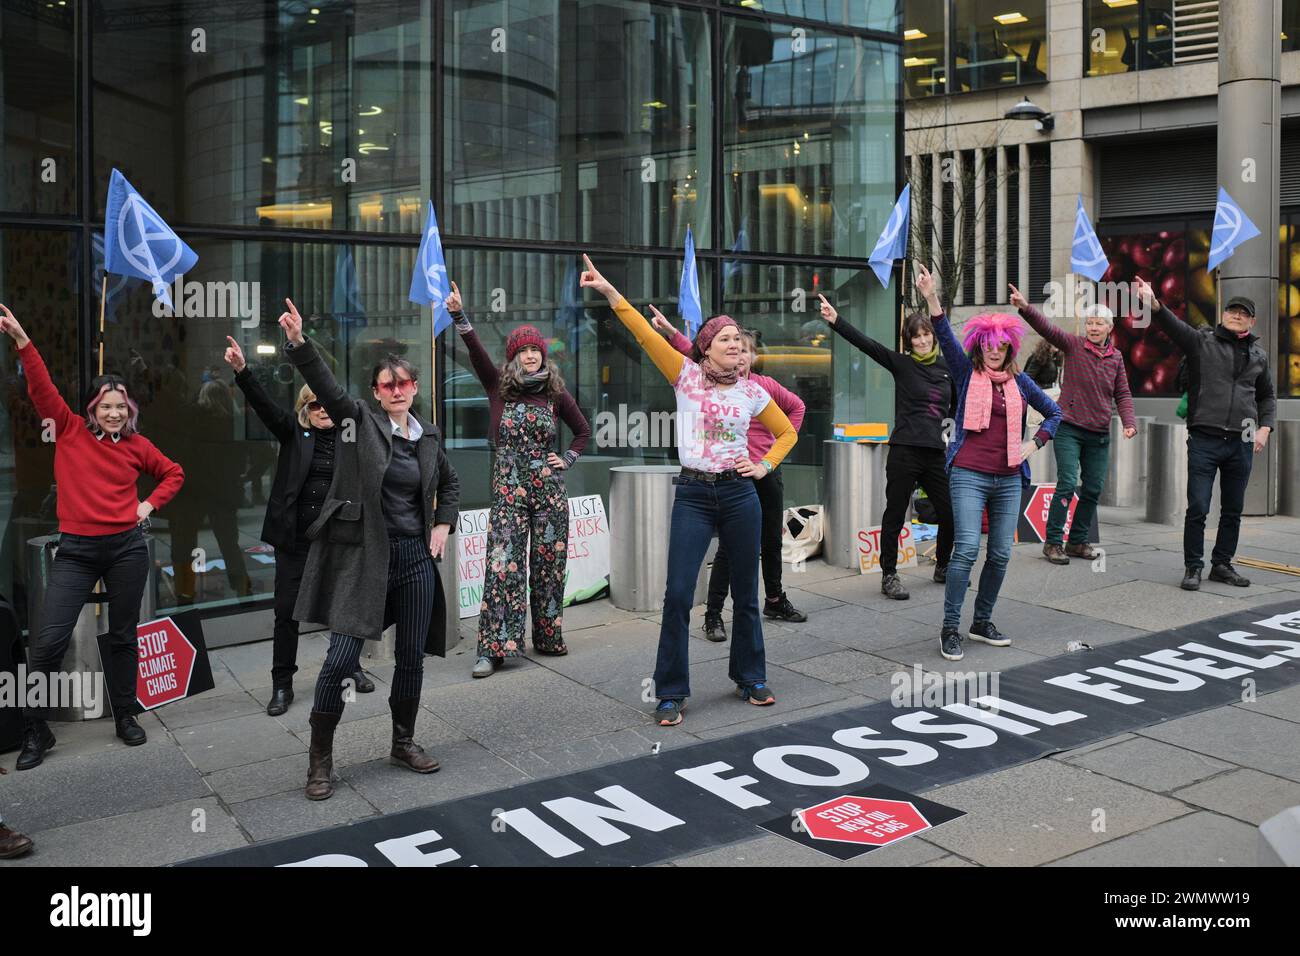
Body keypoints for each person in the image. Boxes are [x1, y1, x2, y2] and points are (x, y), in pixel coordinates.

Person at [579, 256, 797, 727]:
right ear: (705, 348)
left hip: (740, 495)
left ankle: (751, 676)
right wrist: (611, 292)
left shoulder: (753, 391)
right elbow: (642, 332)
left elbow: (787, 433)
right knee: (678, 594)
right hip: (694, 496)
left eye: (739, 341)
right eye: (726, 340)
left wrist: (762, 467)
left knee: (747, 593)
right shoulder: (685, 375)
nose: (736, 346)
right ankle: (671, 691)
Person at [278, 298, 459, 800]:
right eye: (387, 384)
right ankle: (320, 762)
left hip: (415, 562)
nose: (397, 390)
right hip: (365, 559)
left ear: (415, 388)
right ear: (377, 393)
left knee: (411, 659)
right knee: (340, 661)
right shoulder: (358, 421)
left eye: (404, 383)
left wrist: (442, 524)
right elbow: (330, 392)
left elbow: (451, 484)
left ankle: (403, 742)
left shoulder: (429, 436)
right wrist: (298, 344)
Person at [0, 304, 184, 769]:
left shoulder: (138, 446)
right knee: (48, 641)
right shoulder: (67, 430)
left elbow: (173, 474)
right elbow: (42, 389)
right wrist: (24, 342)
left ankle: (125, 713)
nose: (115, 413)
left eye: (121, 406)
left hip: (126, 548)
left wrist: (146, 506)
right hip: (77, 551)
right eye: (107, 406)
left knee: (123, 636)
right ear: (91, 409)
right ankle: (35, 728)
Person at [445, 281, 591, 677]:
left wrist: (568, 459)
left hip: (549, 492)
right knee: (503, 565)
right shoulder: (499, 388)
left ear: (542, 354)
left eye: (534, 350)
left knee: (548, 565)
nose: (529, 356)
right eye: (523, 351)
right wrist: (459, 316)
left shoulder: (556, 393)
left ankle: (547, 635)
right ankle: (493, 648)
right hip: (508, 491)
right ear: (513, 357)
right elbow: (475, 352)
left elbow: (582, 430)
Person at [917, 266, 1062, 662]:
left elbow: (1055, 414)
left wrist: (1034, 443)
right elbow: (944, 336)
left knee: (999, 553)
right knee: (965, 549)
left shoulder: (1020, 382)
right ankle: (950, 627)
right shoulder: (966, 374)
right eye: (988, 345)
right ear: (979, 346)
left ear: (1010, 348)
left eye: (1001, 346)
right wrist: (932, 296)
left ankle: (982, 622)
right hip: (969, 473)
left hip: (1010, 477)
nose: (994, 351)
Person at [223, 337, 374, 715]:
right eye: (314, 404)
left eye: (327, 403)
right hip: (295, 541)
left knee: (343, 610)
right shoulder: (293, 432)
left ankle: (349, 667)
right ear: (304, 408)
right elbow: (263, 407)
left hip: (337, 539)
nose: (323, 409)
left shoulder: (350, 437)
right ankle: (282, 685)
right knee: (287, 614)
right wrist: (243, 371)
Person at [648, 306, 807, 637]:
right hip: (730, 479)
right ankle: (714, 613)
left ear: (752, 357)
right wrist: (670, 333)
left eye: (745, 348)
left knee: (769, 541)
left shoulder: (763, 388)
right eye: (733, 345)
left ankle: (775, 598)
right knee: (726, 552)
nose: (740, 353)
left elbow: (796, 412)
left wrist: (768, 462)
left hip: (762, 475)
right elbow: (691, 357)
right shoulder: (704, 380)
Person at [1133, 279, 1275, 591]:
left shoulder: (1259, 355)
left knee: (1233, 509)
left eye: (1243, 313)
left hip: (1243, 440)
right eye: (1232, 311)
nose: (1237, 315)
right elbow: (1174, 327)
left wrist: (1264, 428)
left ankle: (1222, 565)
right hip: (1205, 440)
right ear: (1224, 315)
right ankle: (1193, 567)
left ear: (1252, 321)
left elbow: (1266, 397)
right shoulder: (1202, 342)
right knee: (1198, 505)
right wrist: (1154, 304)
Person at [816, 294, 955, 600]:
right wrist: (836, 321)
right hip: (905, 450)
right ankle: (889, 575)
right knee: (895, 513)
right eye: (915, 336)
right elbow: (868, 345)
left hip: (935, 453)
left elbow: (953, 411)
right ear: (908, 341)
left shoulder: (948, 369)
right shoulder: (902, 365)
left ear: (933, 336)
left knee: (949, 512)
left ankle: (943, 566)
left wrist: (951, 442)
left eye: (926, 334)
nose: (921, 341)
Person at [1009, 287, 1138, 565]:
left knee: (1092, 488)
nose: (1093, 327)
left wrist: (1129, 422)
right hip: (1069, 427)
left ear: (1109, 328)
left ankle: (1078, 541)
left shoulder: (1116, 358)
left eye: (1099, 323)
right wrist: (1025, 306)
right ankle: (1053, 542)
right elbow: (1048, 329)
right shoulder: (1073, 345)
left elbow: (1123, 394)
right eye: (1090, 322)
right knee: (1067, 483)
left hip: (1099, 433)